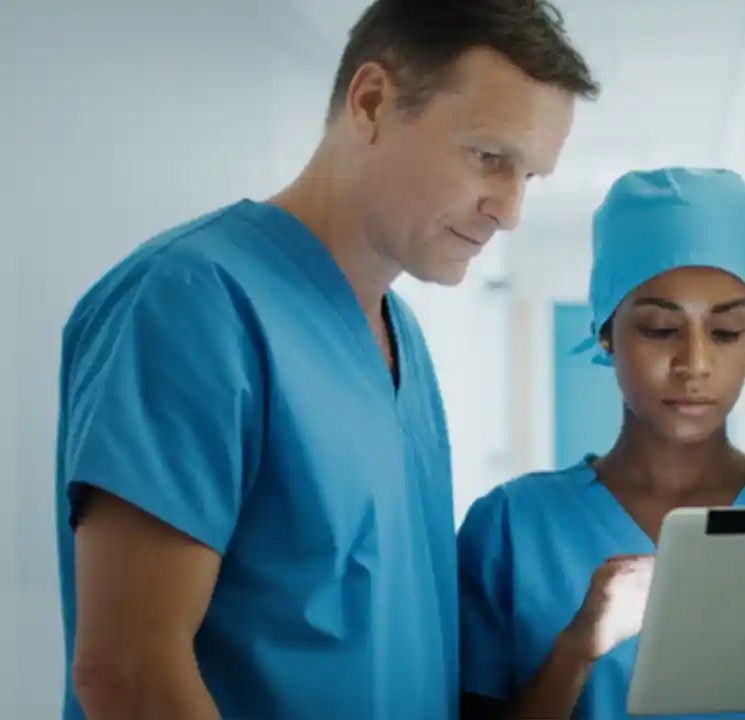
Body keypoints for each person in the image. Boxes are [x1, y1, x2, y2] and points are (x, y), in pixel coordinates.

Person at [53, 2, 596, 719]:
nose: (509, 209)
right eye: (490, 157)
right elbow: (126, 670)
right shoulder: (195, 303)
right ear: (371, 102)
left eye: (531, 176)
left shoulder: (403, 341)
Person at [457, 167, 745, 720]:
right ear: (606, 332)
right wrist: (577, 646)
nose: (696, 364)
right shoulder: (513, 527)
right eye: (659, 328)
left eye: (726, 332)